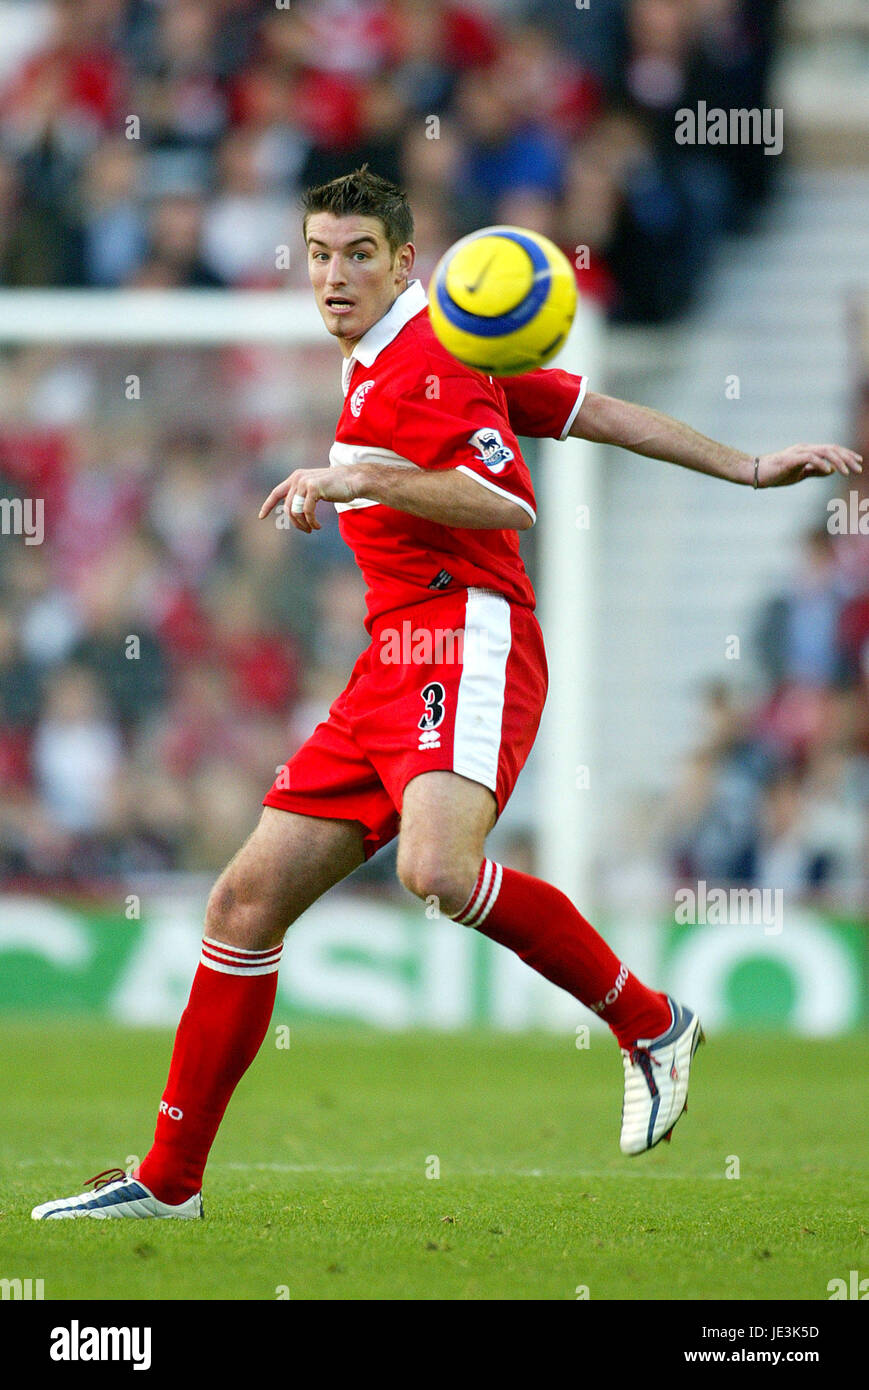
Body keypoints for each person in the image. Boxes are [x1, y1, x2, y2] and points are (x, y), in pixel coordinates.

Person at [32, 168, 861, 1221]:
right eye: (319, 254)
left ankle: (648, 1021)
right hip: (389, 661)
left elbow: (506, 502)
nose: (333, 276)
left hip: (465, 635)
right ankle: (168, 1181)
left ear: (401, 262)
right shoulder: (424, 348)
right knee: (243, 903)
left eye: (357, 256)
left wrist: (359, 475)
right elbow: (584, 406)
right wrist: (743, 466)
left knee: (435, 865)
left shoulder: (421, 358)